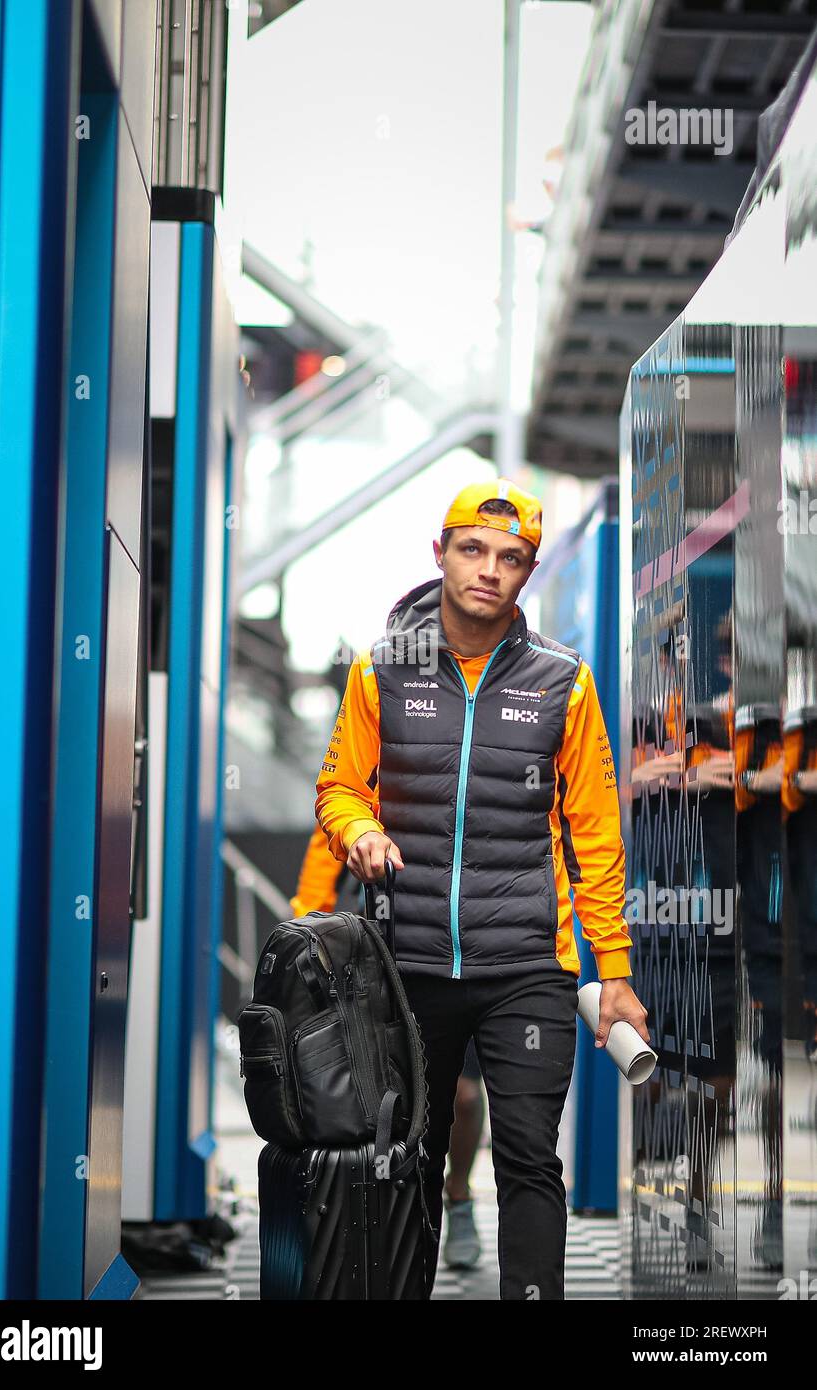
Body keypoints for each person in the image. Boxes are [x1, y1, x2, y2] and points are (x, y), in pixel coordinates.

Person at [315, 477, 650, 1300]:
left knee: (530, 1157)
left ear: (527, 574)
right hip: (410, 966)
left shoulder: (563, 682)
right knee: (411, 1162)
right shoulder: (380, 672)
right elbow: (338, 789)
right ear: (441, 554)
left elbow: (596, 838)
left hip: (528, 970)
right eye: (473, 550)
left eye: (511, 558)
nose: (489, 570)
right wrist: (358, 831)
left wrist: (616, 973)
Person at [290, 824, 484, 1269]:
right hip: (387, 964)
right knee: (388, 1101)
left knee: (466, 1096)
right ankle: (388, 1216)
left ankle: (459, 1196)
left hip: (471, 957)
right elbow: (314, 895)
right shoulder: (360, 789)